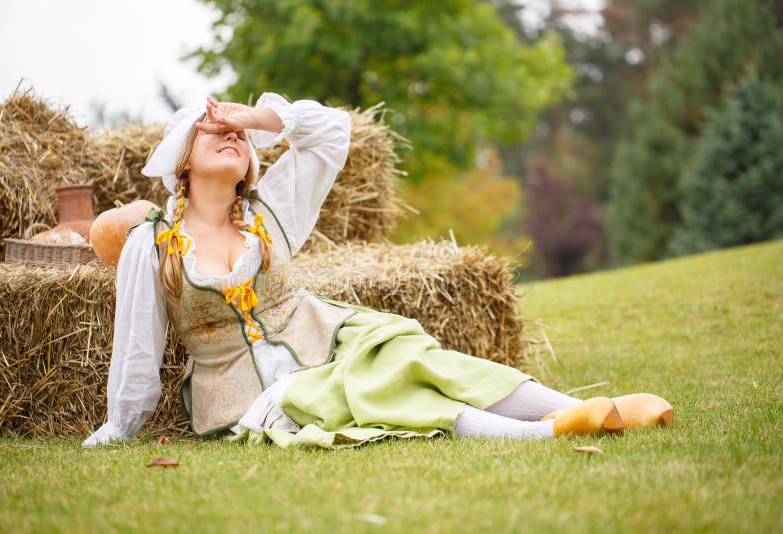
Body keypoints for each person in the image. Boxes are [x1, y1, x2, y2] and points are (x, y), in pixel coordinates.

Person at [82, 92, 673, 449]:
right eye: (216, 129)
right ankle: (544, 434)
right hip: (246, 395)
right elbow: (136, 350)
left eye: (240, 135)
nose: (233, 136)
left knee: (416, 358)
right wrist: (119, 427)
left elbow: (332, 133)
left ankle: (583, 405)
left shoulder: (272, 209)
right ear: (182, 156)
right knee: (360, 389)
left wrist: (260, 116)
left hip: (327, 337)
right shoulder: (150, 245)